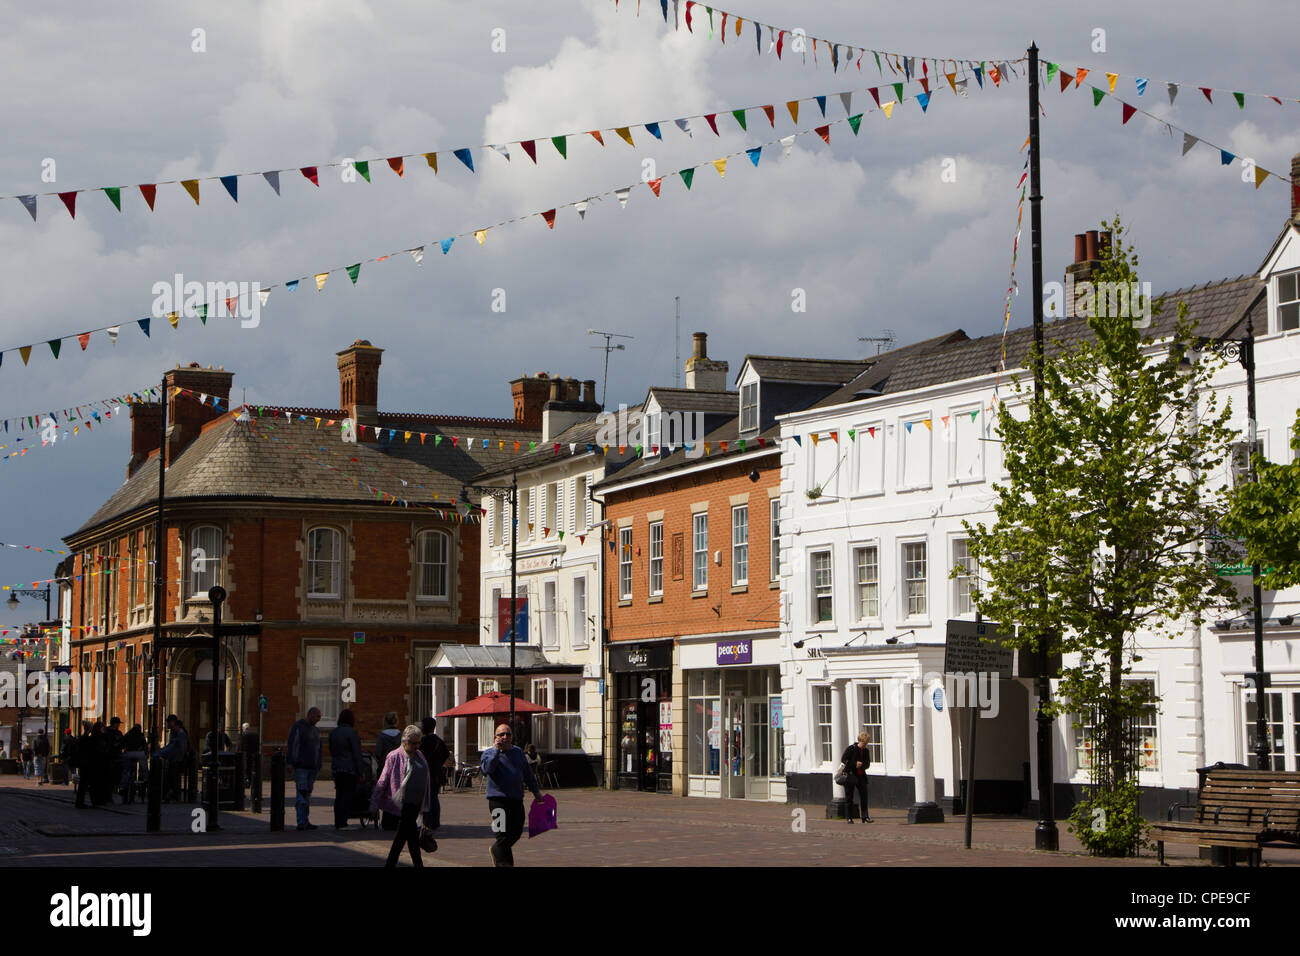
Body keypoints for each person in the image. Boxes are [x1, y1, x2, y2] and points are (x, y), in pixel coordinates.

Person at [370, 724, 432, 867]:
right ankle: (414, 864)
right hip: (403, 803)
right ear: (404, 741)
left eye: (419, 743)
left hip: (417, 803)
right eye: (414, 743)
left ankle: (395, 864)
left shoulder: (420, 755)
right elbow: (383, 780)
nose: (417, 746)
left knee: (407, 837)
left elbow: (426, 777)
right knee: (406, 836)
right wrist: (374, 804)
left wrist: (426, 805)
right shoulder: (394, 756)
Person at [481, 723, 541, 867]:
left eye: (508, 734)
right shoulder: (489, 753)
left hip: (515, 800)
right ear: (495, 737)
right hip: (497, 801)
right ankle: (504, 863)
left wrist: (536, 792)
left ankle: (496, 849)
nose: (505, 737)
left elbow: (527, 774)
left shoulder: (518, 752)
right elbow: (487, 769)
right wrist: (496, 750)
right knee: (502, 834)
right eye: (501, 734)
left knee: (516, 831)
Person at [286, 707, 322, 830]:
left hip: (312, 767)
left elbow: (318, 748)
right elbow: (291, 744)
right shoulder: (298, 727)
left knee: (307, 795)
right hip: (301, 766)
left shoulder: (316, 730)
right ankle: (301, 821)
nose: (318, 720)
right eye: (317, 716)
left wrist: (318, 764)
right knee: (302, 794)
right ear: (310, 715)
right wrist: (290, 762)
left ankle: (305, 820)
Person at [329, 709, 363, 830]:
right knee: (347, 795)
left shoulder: (333, 733)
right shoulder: (352, 733)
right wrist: (360, 770)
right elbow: (356, 753)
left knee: (339, 795)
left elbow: (331, 750)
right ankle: (343, 822)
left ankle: (338, 821)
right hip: (349, 768)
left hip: (337, 767)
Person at [418, 717, 450, 832]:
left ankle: (428, 821)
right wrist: (438, 763)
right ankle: (435, 821)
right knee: (434, 797)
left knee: (426, 798)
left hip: (425, 773)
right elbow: (446, 754)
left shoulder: (422, 742)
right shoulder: (438, 741)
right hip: (436, 773)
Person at [373, 712, 402, 829]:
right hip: (399, 769)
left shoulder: (382, 736)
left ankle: (387, 821)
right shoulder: (401, 735)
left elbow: (378, 752)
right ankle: (397, 819)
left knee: (386, 795)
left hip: (385, 768)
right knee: (398, 794)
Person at [841, 732, 873, 824]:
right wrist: (855, 764)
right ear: (860, 741)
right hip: (851, 775)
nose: (865, 745)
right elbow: (844, 759)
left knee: (864, 796)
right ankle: (849, 817)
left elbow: (867, 764)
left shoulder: (866, 751)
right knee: (849, 797)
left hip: (861, 775)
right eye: (864, 743)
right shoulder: (851, 749)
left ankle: (865, 816)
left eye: (867, 743)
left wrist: (862, 765)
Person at [157, 714, 190, 801]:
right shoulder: (174, 732)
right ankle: (169, 794)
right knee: (169, 776)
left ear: (174, 723)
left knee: (172, 776)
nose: (167, 724)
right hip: (173, 759)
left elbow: (179, 748)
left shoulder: (180, 734)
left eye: (168, 722)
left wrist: (162, 753)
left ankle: (172, 794)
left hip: (177, 760)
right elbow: (171, 746)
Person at [120, 724, 147, 804]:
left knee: (126, 772)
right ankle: (144, 779)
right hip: (139, 754)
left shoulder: (128, 734)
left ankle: (123, 786)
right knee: (143, 771)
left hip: (128, 754)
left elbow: (122, 744)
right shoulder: (141, 735)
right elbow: (144, 746)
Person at [105, 718, 125, 799]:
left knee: (115, 776)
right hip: (111, 757)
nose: (119, 725)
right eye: (118, 723)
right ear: (114, 724)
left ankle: (112, 791)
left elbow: (122, 743)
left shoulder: (117, 733)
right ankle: (109, 794)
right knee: (110, 776)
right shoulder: (109, 732)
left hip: (115, 756)